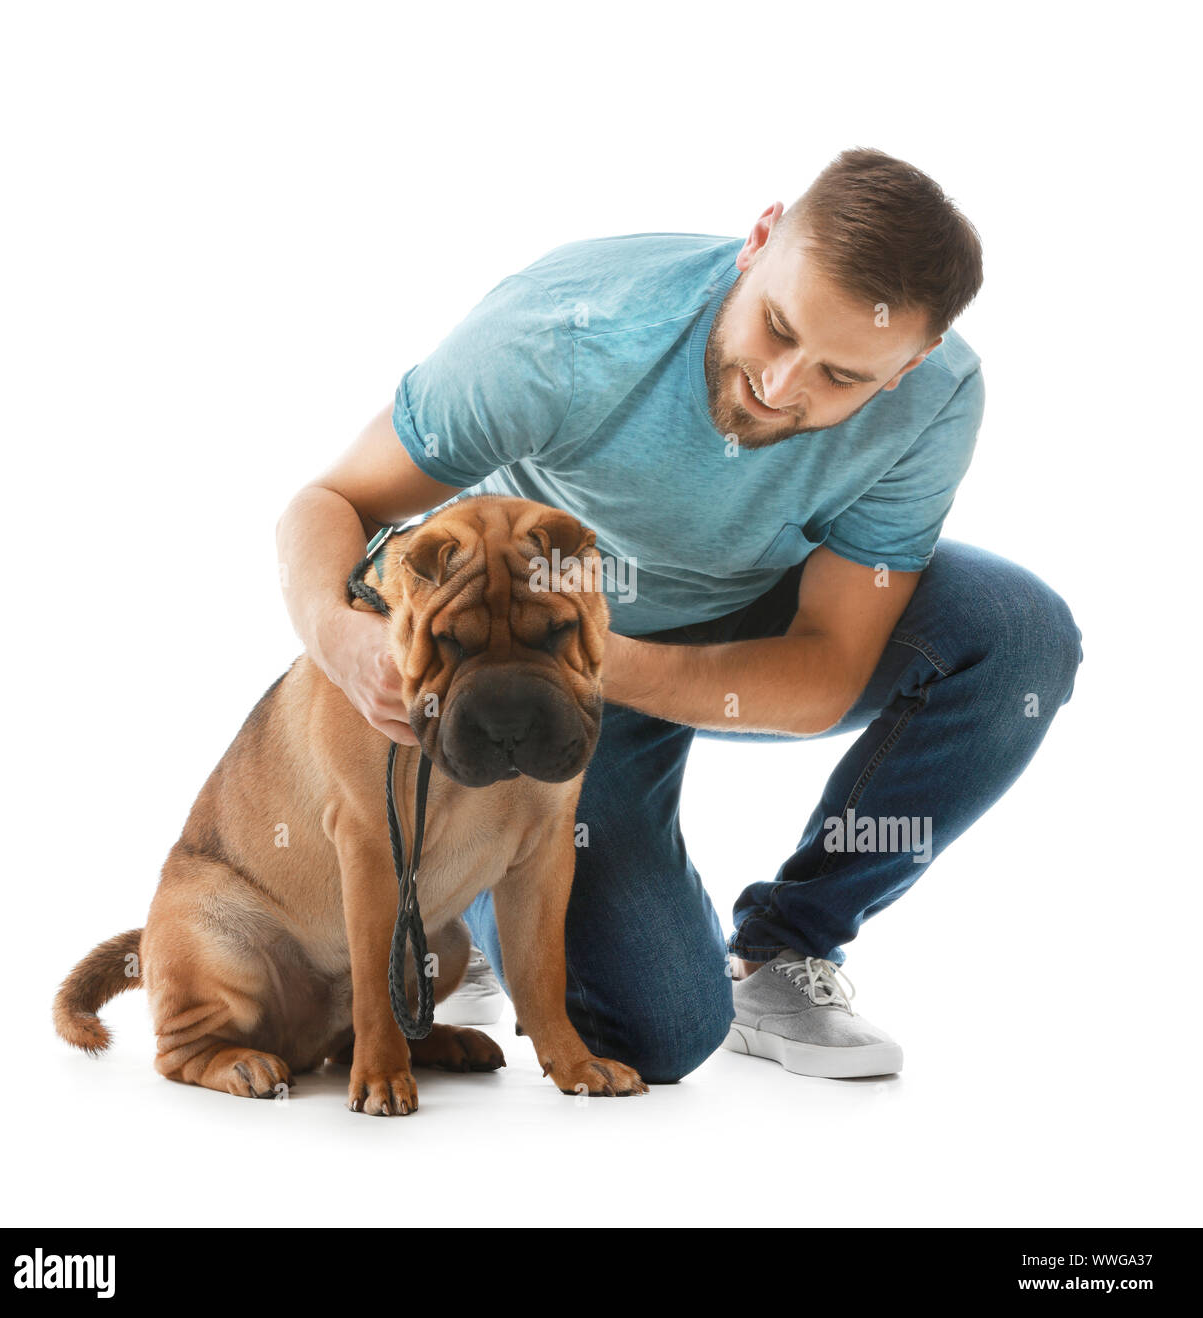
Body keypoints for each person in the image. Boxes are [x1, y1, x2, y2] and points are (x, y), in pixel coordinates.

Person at [276, 148, 1082, 1083]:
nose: (781, 388)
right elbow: (330, 503)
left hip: (687, 633)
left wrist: (603, 662)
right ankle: (475, 885)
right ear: (759, 238)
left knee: (1017, 636)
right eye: (777, 329)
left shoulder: (939, 399)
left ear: (913, 360)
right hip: (528, 660)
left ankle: (783, 948)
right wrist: (342, 638)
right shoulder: (564, 333)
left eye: (841, 377)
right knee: (657, 1033)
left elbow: (826, 668)